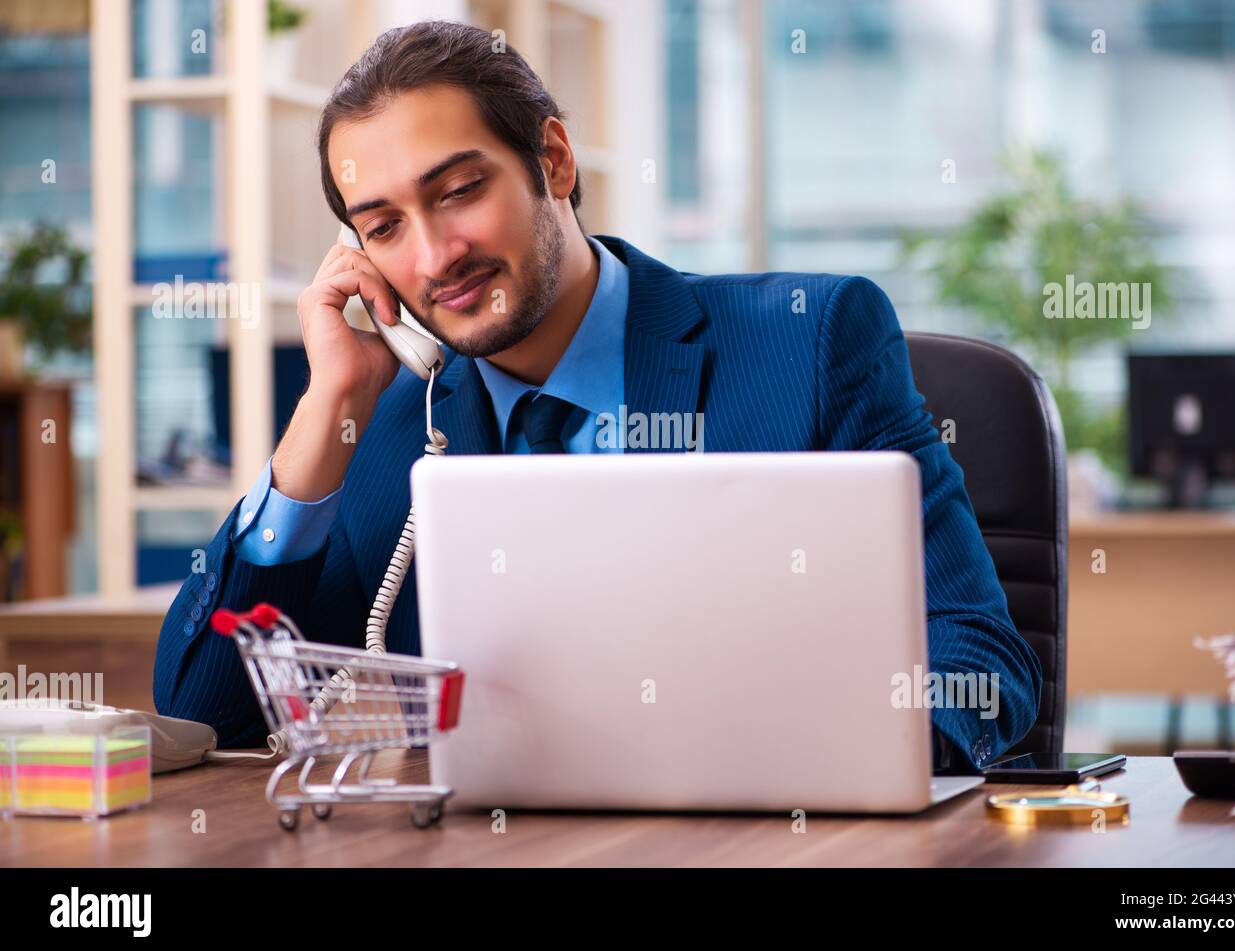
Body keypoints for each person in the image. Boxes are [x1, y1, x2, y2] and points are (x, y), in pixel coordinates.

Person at [154, 19, 1042, 771]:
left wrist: (797, 774)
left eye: (459, 191)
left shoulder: (811, 343)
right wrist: (327, 413)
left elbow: (982, 668)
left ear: (554, 158)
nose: (432, 258)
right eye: (384, 227)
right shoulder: (388, 428)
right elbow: (207, 717)